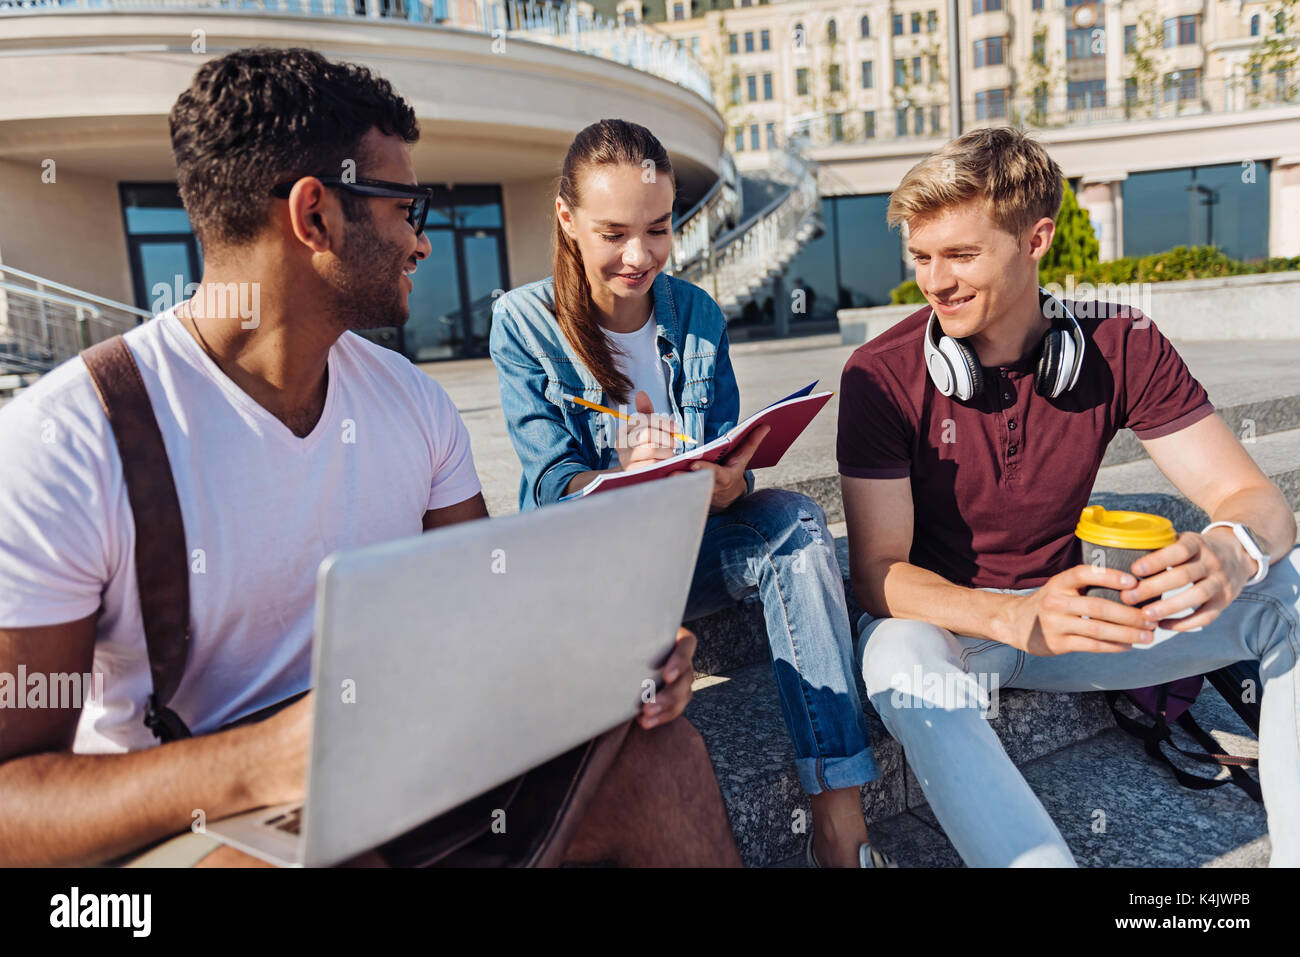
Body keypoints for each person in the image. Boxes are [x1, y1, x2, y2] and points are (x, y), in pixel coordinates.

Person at [0, 48, 740, 868]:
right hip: (199, 817)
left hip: (409, 763)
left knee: (659, 760)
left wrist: (617, 651)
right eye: (406, 207)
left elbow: (492, 610)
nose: (422, 243)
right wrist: (259, 763)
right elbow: (12, 800)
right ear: (314, 217)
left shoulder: (413, 405)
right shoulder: (69, 440)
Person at [838, 125, 1300, 867]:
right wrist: (1012, 614)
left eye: (960, 255)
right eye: (921, 256)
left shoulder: (1125, 343)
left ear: (1036, 239)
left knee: (1290, 584)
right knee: (895, 652)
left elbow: (1256, 498)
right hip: (958, 630)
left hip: (1075, 621)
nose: (934, 281)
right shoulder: (880, 375)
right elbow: (877, 572)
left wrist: (1231, 549)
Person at [489, 118, 894, 868]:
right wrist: (616, 477)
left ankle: (843, 831)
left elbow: (728, 453)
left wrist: (730, 481)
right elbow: (549, 487)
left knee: (800, 526)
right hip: (589, 568)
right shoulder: (523, 323)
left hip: (687, 549)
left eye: (658, 228)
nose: (638, 255)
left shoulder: (698, 316)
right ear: (567, 219)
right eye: (613, 233)